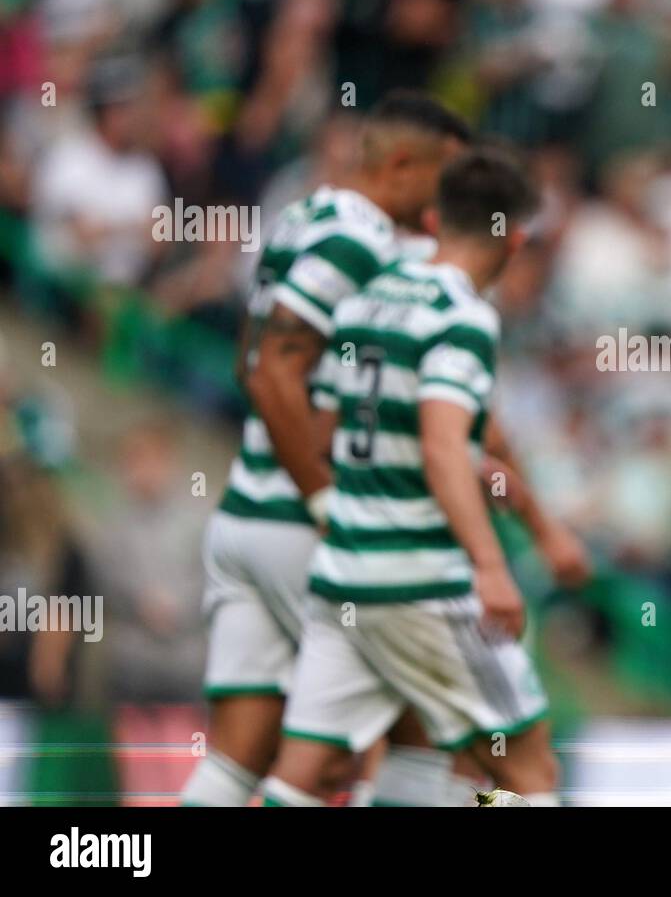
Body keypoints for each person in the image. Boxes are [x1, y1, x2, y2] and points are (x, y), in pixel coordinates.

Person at [181, 91, 472, 806]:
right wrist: (321, 494)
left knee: (243, 749)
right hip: (303, 522)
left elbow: (252, 353)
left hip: (245, 517)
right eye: (447, 178)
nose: (452, 202)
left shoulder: (304, 215)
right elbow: (274, 366)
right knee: (420, 727)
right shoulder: (359, 239)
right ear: (403, 164)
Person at [262, 148, 560, 806]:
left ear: (436, 218)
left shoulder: (369, 299)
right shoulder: (464, 315)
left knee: (301, 776)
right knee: (530, 766)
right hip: (422, 580)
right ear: (514, 239)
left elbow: (325, 426)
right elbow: (443, 445)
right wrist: (490, 563)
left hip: (344, 571)